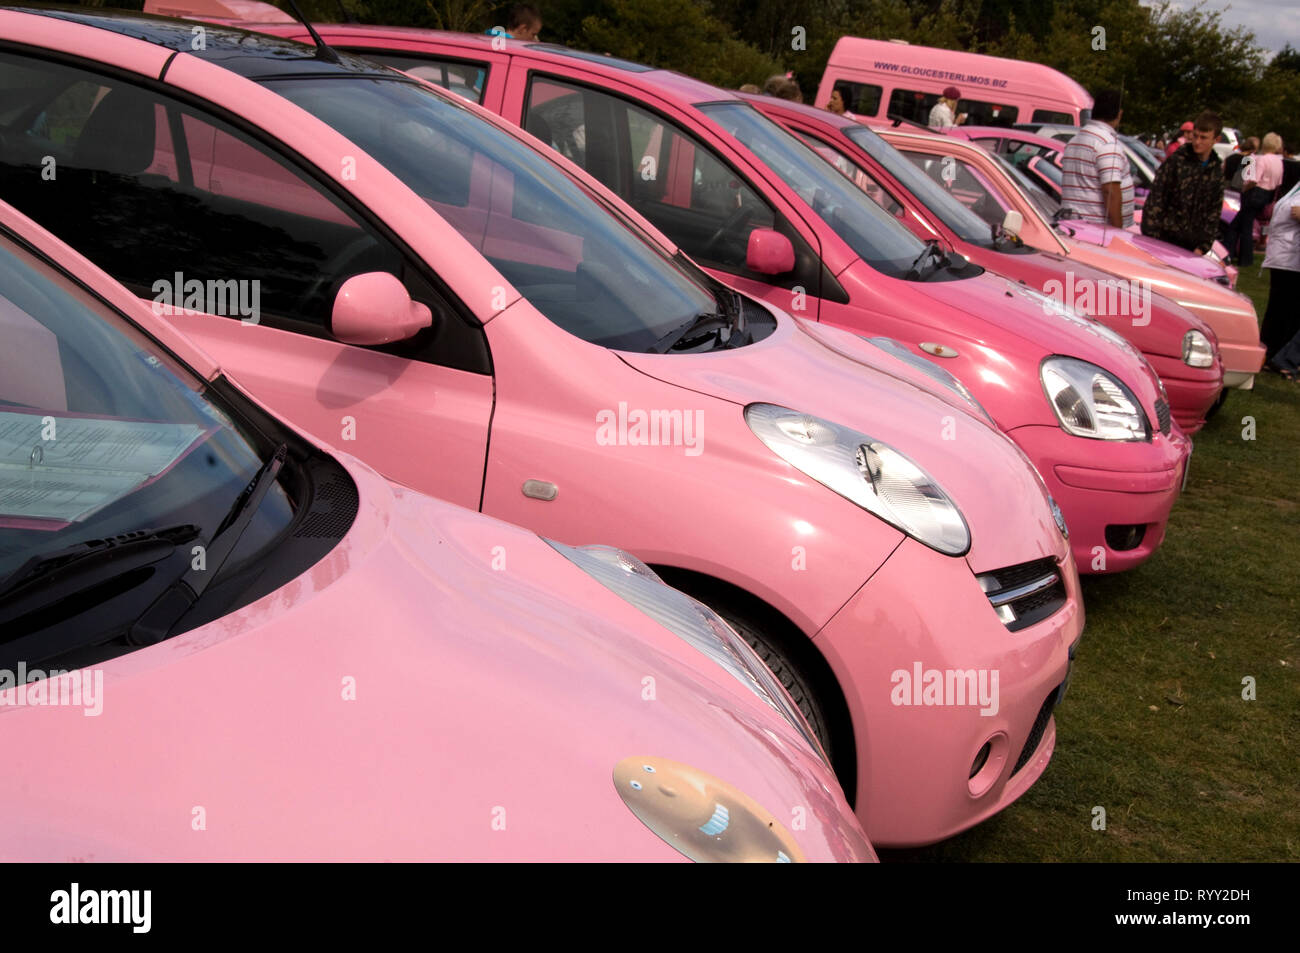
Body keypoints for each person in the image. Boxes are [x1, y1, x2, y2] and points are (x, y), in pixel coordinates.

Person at [1141, 110, 1225, 255]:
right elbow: (1156, 197)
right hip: (1163, 240)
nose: (1197, 142)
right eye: (1195, 136)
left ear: (1216, 139)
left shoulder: (1216, 172)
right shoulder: (1177, 161)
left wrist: (1203, 246)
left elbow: (1214, 212)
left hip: (1191, 248)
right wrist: (1151, 235)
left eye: (1204, 138)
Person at [1060, 88, 1134, 228]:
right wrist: (1117, 232)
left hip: (1073, 225)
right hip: (1097, 231)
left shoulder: (1074, 141)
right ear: (1119, 114)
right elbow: (1110, 191)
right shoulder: (1107, 144)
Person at [1226, 132, 1284, 266]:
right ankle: (1240, 256)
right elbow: (1278, 182)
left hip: (1255, 193)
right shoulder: (1278, 162)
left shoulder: (1262, 160)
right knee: (1243, 224)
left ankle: (1240, 257)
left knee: (1240, 226)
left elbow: (1253, 179)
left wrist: (1244, 189)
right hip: (1267, 194)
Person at [1260, 178, 1300, 370]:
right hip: (1283, 256)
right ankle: (1269, 353)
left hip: (1291, 258)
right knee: (1279, 310)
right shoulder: (1296, 186)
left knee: (1284, 311)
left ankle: (1276, 354)